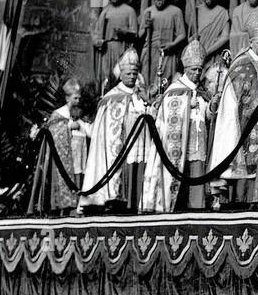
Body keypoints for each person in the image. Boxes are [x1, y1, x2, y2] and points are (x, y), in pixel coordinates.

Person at [210, 5, 258, 206]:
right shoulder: (241, 63)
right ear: (251, 41)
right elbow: (231, 100)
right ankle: (239, 200)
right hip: (243, 123)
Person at [141, 40, 210, 212]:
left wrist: (212, 106)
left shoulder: (202, 92)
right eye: (194, 69)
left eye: (200, 70)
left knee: (197, 175)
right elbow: (170, 112)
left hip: (198, 141)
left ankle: (197, 210)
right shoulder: (175, 89)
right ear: (186, 69)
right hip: (179, 144)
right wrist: (188, 104)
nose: (197, 73)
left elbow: (207, 115)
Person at [81, 49, 147, 210]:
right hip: (119, 149)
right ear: (121, 74)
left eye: (134, 73)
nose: (131, 77)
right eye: (128, 73)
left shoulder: (142, 95)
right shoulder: (111, 98)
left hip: (139, 146)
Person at [29, 78, 91, 216]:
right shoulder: (58, 114)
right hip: (63, 159)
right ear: (67, 98)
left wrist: (80, 125)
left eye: (79, 98)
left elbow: (88, 130)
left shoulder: (79, 113)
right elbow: (55, 132)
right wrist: (69, 127)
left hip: (78, 155)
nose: (78, 101)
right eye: (75, 98)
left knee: (78, 177)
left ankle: (76, 206)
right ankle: (63, 207)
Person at [139, 0, 188, 99]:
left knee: (165, 83)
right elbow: (140, 35)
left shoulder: (176, 12)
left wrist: (172, 44)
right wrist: (146, 27)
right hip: (150, 53)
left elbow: (182, 34)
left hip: (168, 54)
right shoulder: (148, 11)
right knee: (147, 82)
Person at [91, 0, 138, 93]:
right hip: (107, 50)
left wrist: (124, 32)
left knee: (121, 76)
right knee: (107, 78)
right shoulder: (105, 11)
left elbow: (135, 34)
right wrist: (98, 42)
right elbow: (97, 33)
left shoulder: (129, 11)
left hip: (123, 50)